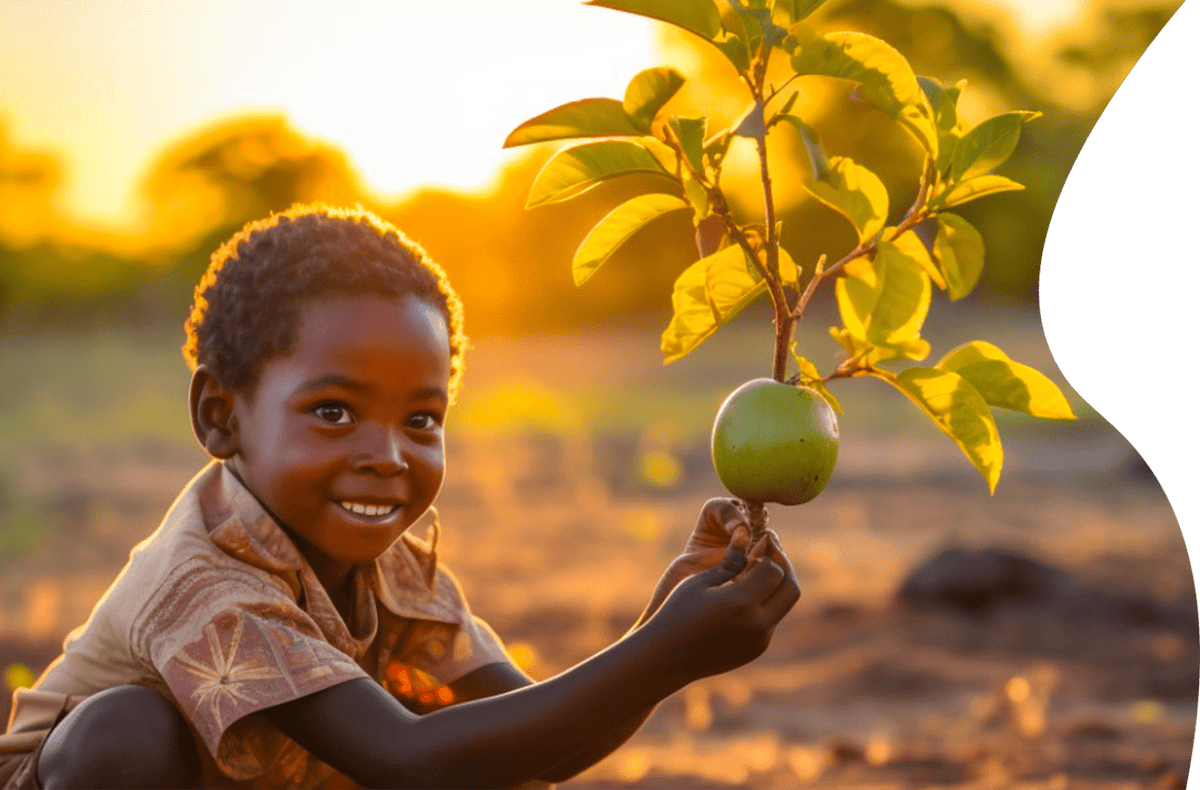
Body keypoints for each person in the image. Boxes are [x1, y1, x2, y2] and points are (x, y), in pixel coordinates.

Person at [0, 204, 800, 789]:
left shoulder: (391, 561)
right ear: (221, 416)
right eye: (333, 413)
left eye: (421, 419)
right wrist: (666, 650)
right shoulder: (206, 582)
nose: (385, 456)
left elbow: (533, 741)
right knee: (125, 738)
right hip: (74, 775)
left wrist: (666, 620)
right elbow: (408, 759)